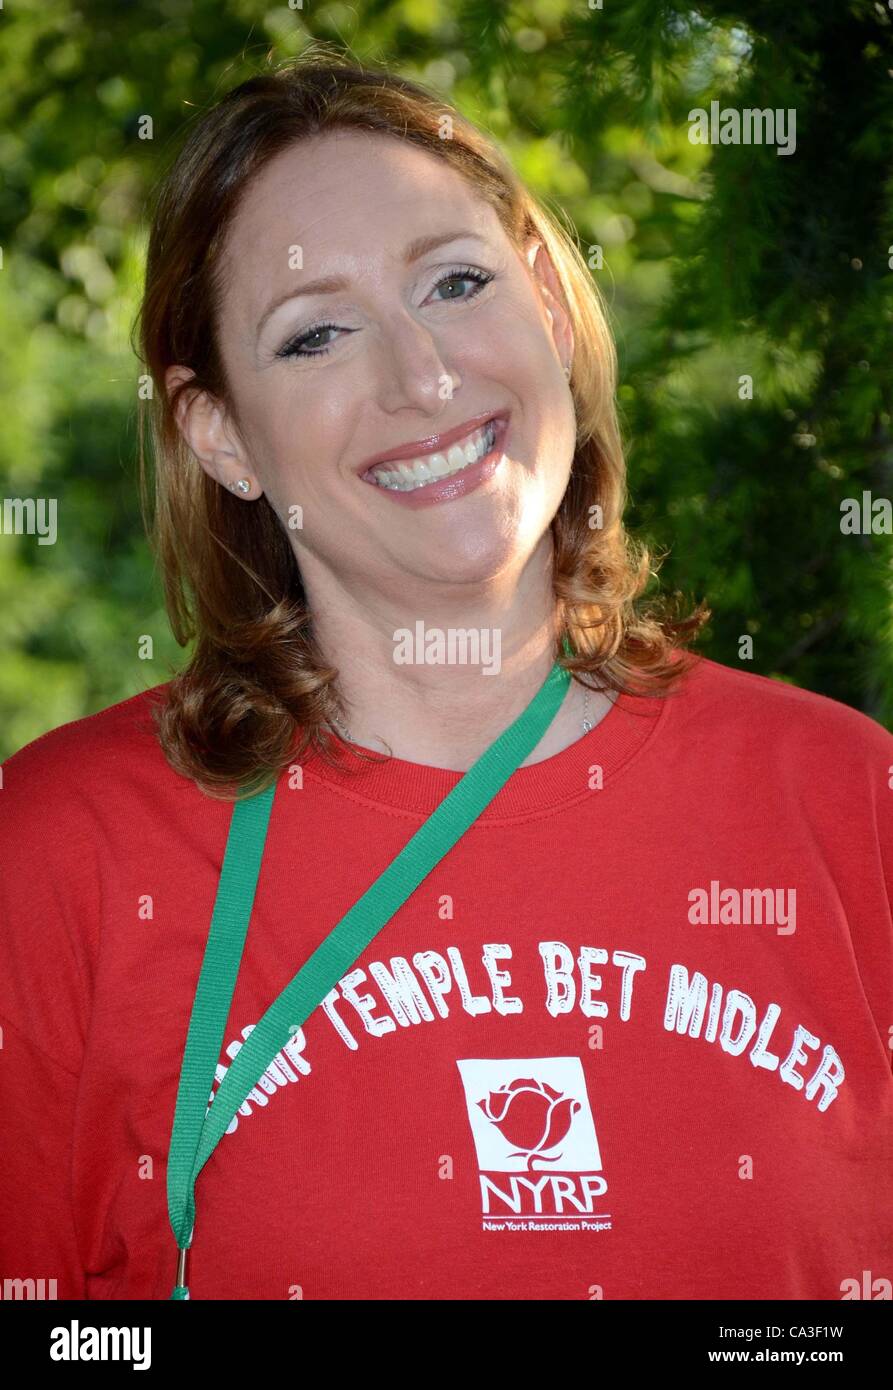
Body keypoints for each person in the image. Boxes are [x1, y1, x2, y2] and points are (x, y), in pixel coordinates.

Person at [1, 53, 890, 1303]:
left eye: (455, 283)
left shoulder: (844, 798)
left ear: (542, 300)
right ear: (221, 436)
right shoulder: (58, 853)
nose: (420, 378)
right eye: (315, 334)